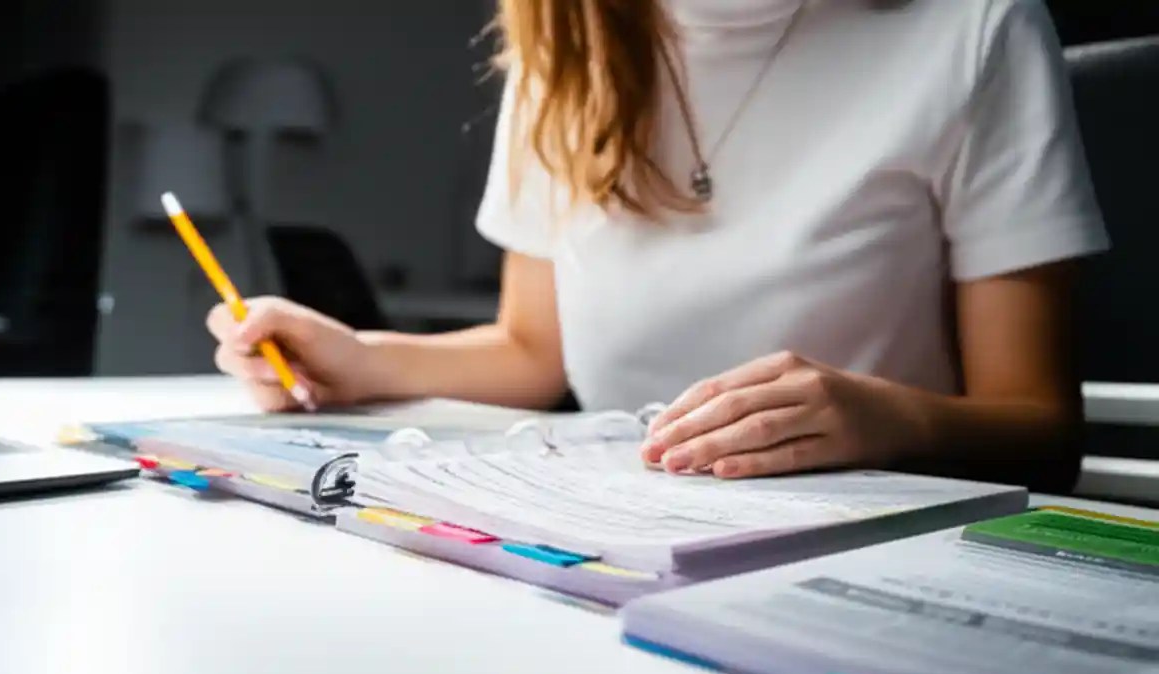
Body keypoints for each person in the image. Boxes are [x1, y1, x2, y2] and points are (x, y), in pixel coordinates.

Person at [208, 0, 1108, 492]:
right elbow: (531, 353)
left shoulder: (976, 29)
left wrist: (889, 420)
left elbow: (1041, 433)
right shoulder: (565, 45)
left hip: (873, 527)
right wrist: (360, 360)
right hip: (612, 523)